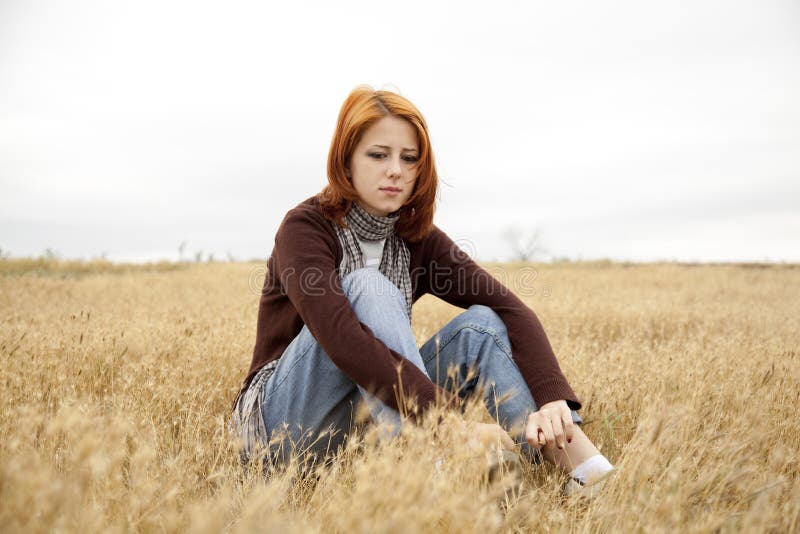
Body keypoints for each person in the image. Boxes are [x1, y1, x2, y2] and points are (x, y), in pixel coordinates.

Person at [230, 85, 615, 496]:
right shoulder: (305, 228)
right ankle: (436, 463)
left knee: (481, 326)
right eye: (378, 155)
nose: (395, 169)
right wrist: (445, 423)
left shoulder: (417, 239)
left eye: (409, 158)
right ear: (346, 159)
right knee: (366, 285)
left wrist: (554, 397)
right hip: (281, 427)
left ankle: (581, 472)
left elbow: (512, 309)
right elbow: (342, 341)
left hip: (368, 421)